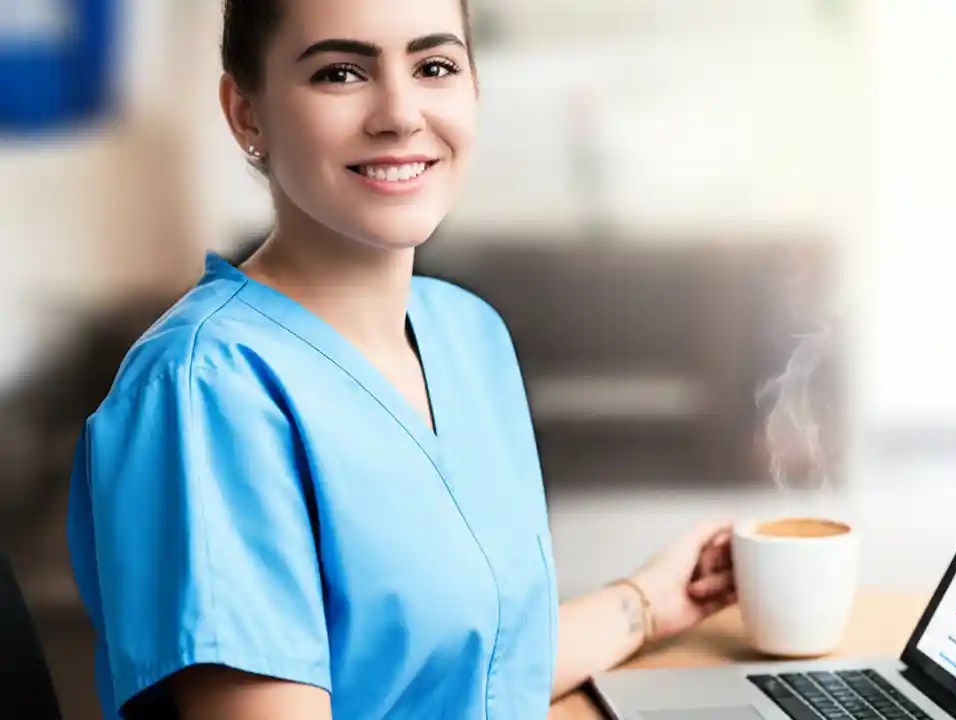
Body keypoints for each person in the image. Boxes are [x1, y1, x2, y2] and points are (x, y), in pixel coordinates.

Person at [65, 1, 737, 717]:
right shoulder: (205, 390)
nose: (400, 114)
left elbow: (468, 677)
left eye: (435, 66)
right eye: (341, 72)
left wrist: (650, 603)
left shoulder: (467, 333)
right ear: (247, 113)